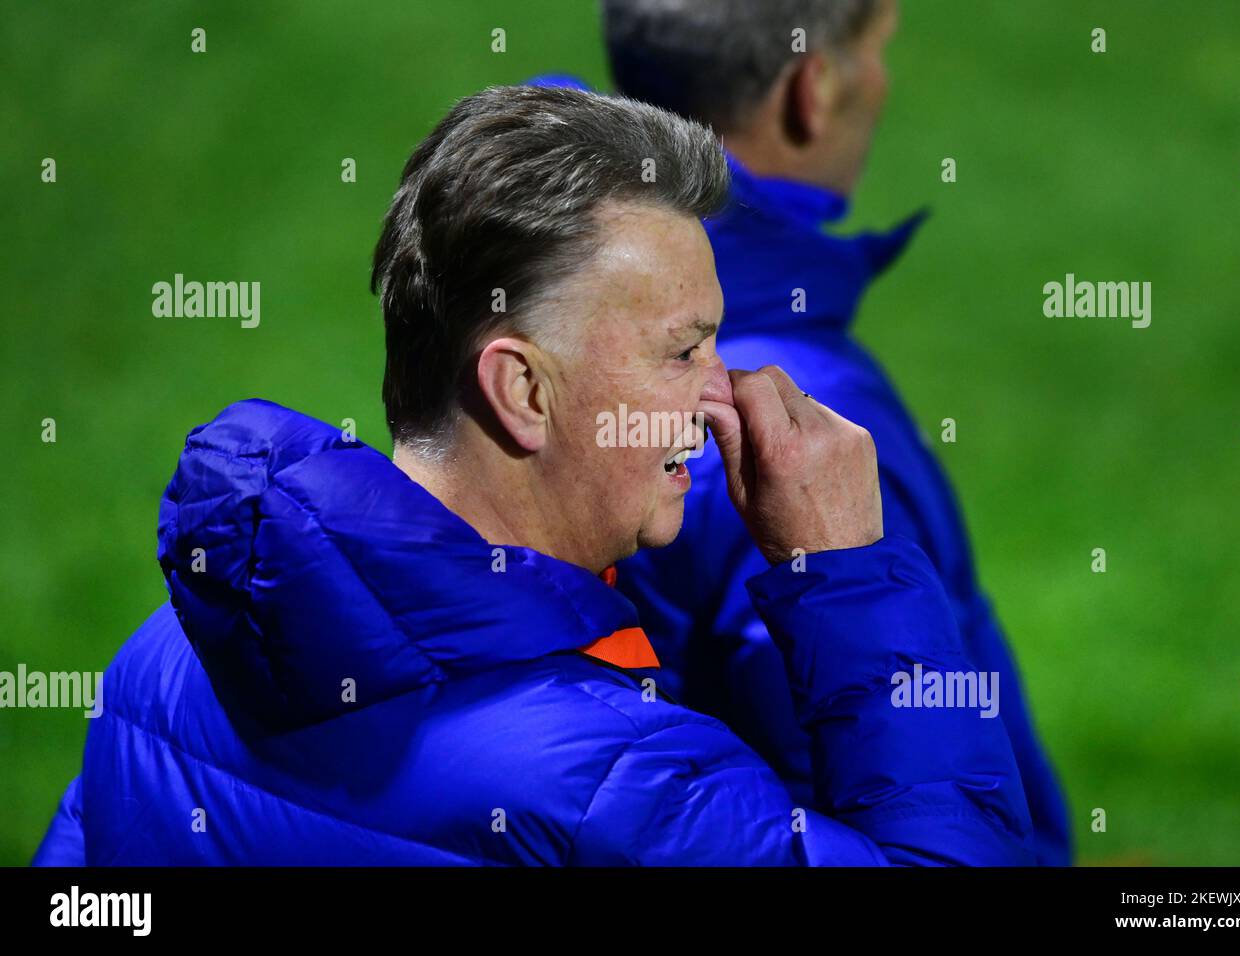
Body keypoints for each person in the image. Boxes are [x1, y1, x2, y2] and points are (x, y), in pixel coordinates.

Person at [32, 85, 1032, 865]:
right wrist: (849, 572)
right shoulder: (620, 788)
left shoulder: (167, 657)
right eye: (682, 351)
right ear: (522, 391)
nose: (721, 394)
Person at [602, 0, 1072, 864]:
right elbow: (852, 793)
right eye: (875, 49)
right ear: (811, 89)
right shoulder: (795, 424)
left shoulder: (547, 276)